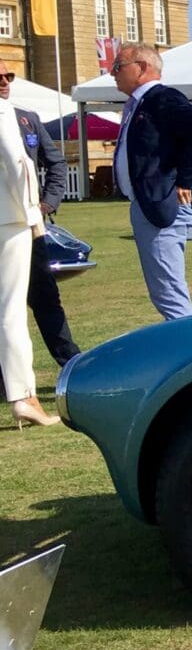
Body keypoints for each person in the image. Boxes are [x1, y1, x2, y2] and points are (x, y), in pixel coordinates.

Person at [112, 44, 192, 321]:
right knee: (165, 291)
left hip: (161, 204)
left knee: (169, 292)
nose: (113, 74)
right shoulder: (141, 103)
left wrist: (186, 179)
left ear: (142, 67)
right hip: (149, 203)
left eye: (118, 67)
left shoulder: (161, 98)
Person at [0, 59, 78, 371]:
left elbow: (56, 163)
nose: (4, 81)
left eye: (9, 75)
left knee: (45, 297)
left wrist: (47, 202)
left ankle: (71, 363)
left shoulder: (26, 120)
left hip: (29, 229)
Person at [0, 67, 55, 427]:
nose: (5, 82)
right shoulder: (4, 113)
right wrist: (33, 215)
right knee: (11, 311)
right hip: (10, 219)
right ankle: (24, 395)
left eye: (8, 75)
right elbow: (19, 164)